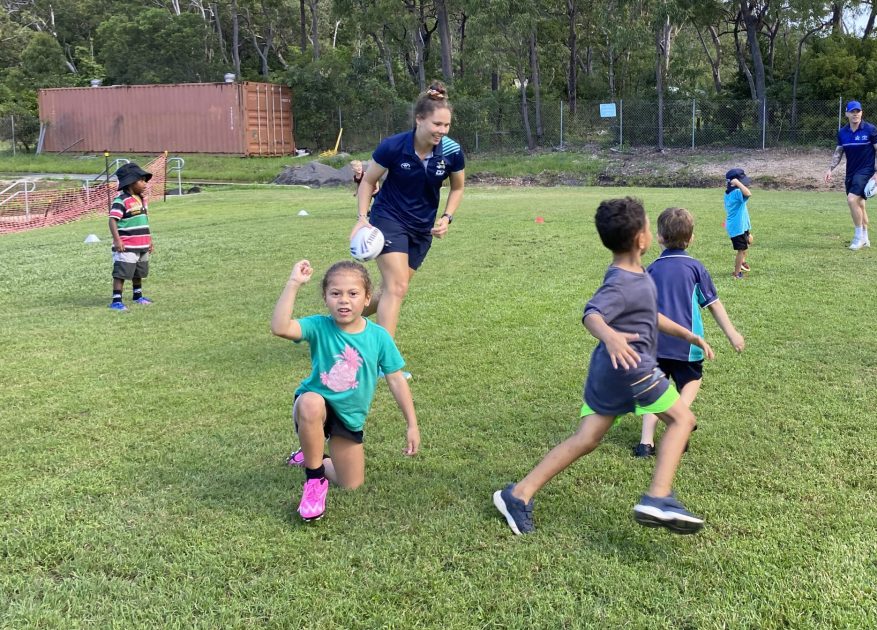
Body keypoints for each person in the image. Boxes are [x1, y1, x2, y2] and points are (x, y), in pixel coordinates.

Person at [493, 197, 715, 536]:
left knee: (588, 438)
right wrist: (610, 336)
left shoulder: (634, 273)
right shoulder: (622, 282)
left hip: (611, 371)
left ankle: (518, 494)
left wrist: (686, 334)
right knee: (683, 419)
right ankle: (658, 497)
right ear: (643, 238)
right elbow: (592, 313)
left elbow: (649, 315)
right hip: (632, 367)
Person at [272, 260, 420, 522]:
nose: (344, 300)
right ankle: (314, 481)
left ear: (366, 299)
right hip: (314, 406)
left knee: (351, 483)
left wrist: (411, 424)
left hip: (348, 417)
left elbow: (396, 379)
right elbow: (280, 327)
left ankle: (311, 455)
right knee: (311, 402)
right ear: (326, 298)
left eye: (353, 294)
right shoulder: (319, 326)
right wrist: (293, 283)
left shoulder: (379, 336)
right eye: (335, 293)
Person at [350, 81, 465, 340]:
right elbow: (368, 181)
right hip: (388, 218)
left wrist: (447, 217)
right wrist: (362, 217)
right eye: (437, 124)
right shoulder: (393, 146)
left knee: (393, 290)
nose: (442, 131)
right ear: (419, 120)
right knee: (397, 286)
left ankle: (341, 319)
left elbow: (457, 188)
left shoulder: (452, 152)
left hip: (422, 228)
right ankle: (384, 360)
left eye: (446, 125)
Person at [634, 207, 745, 458]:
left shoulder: (650, 270)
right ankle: (678, 421)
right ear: (691, 239)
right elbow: (713, 304)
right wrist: (732, 333)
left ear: (660, 238)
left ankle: (645, 444)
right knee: (691, 382)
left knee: (656, 391)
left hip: (656, 345)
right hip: (688, 346)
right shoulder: (695, 268)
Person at [824, 100, 877, 251]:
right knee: (860, 205)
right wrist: (830, 169)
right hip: (850, 172)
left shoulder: (871, 130)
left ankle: (858, 238)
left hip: (866, 172)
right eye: (852, 111)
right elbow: (838, 153)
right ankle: (866, 237)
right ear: (847, 114)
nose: (855, 114)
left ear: (861, 113)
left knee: (851, 200)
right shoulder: (842, 133)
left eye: (858, 111)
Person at [107, 163, 155, 311]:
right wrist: (117, 240)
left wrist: (149, 240)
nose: (144, 183)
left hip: (141, 245)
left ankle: (138, 295)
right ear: (130, 182)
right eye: (141, 180)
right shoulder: (121, 201)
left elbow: (145, 222)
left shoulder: (142, 200)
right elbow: (112, 220)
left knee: (138, 271)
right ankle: (116, 301)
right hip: (127, 246)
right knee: (122, 273)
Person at [724, 168, 753, 279]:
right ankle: (737, 273)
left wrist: (737, 183)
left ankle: (742, 262)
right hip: (737, 227)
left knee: (749, 240)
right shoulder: (736, 193)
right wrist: (737, 183)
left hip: (742, 225)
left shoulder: (730, 193)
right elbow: (748, 193)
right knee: (741, 250)